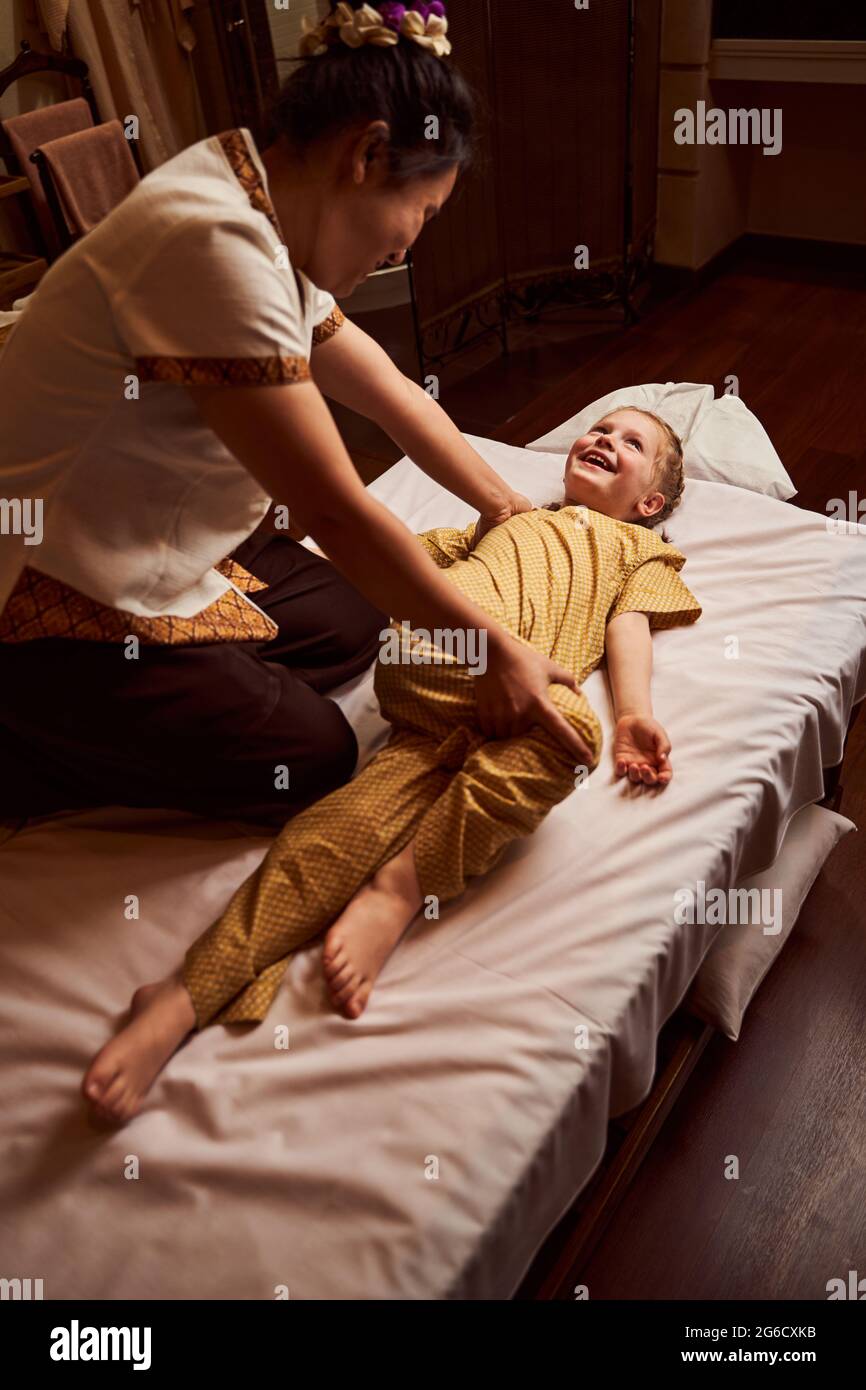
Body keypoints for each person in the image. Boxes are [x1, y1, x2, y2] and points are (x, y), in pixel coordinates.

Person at [0, 0, 588, 827]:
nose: (406, 247)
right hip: (48, 582)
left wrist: (505, 506)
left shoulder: (262, 191)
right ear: (367, 154)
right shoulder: (213, 243)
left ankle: (177, 677)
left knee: (352, 623)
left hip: (143, 537)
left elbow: (384, 391)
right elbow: (334, 512)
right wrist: (490, 651)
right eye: (419, 214)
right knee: (312, 755)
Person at [83, 407, 703, 1124]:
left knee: (329, 840)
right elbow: (395, 559)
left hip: (470, 731)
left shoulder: (636, 550)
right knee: (571, 732)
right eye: (599, 428)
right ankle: (404, 888)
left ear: (650, 504)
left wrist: (634, 712)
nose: (603, 440)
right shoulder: (505, 519)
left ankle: (183, 994)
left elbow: (628, 629)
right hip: (443, 657)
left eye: (632, 443)